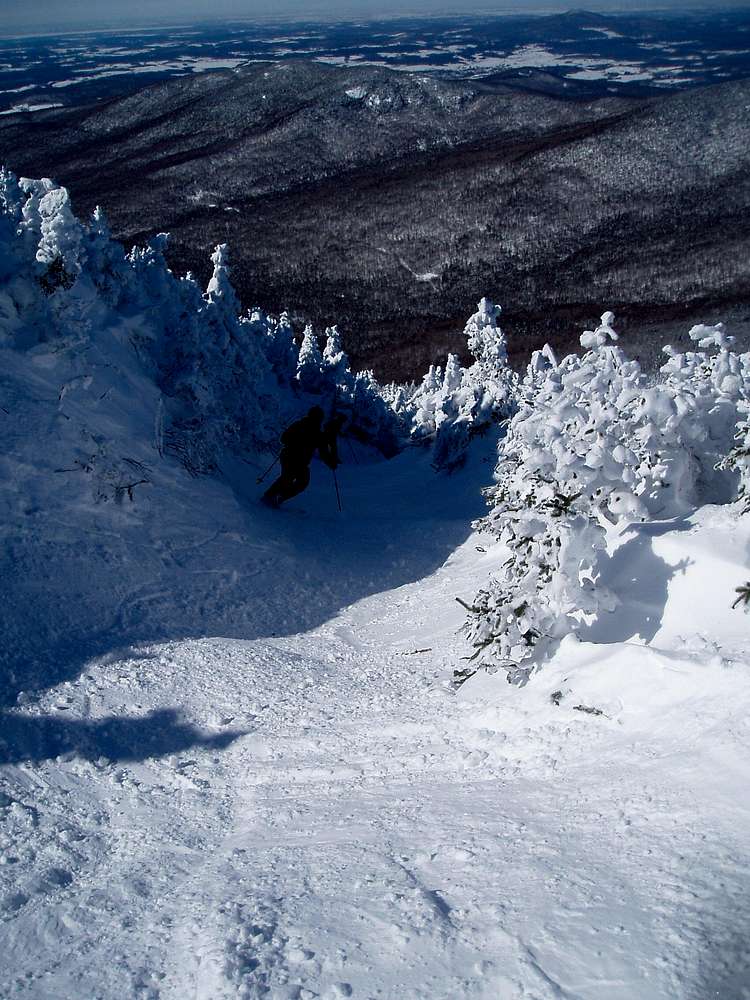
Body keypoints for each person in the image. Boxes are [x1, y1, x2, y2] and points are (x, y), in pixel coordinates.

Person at [262, 406, 335, 508]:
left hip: (298, 460)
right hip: (290, 457)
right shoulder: (305, 427)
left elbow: (283, 438)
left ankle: (276, 497)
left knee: (297, 480)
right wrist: (331, 462)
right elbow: (284, 439)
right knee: (290, 478)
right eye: (320, 418)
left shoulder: (310, 430)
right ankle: (271, 496)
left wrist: (330, 462)